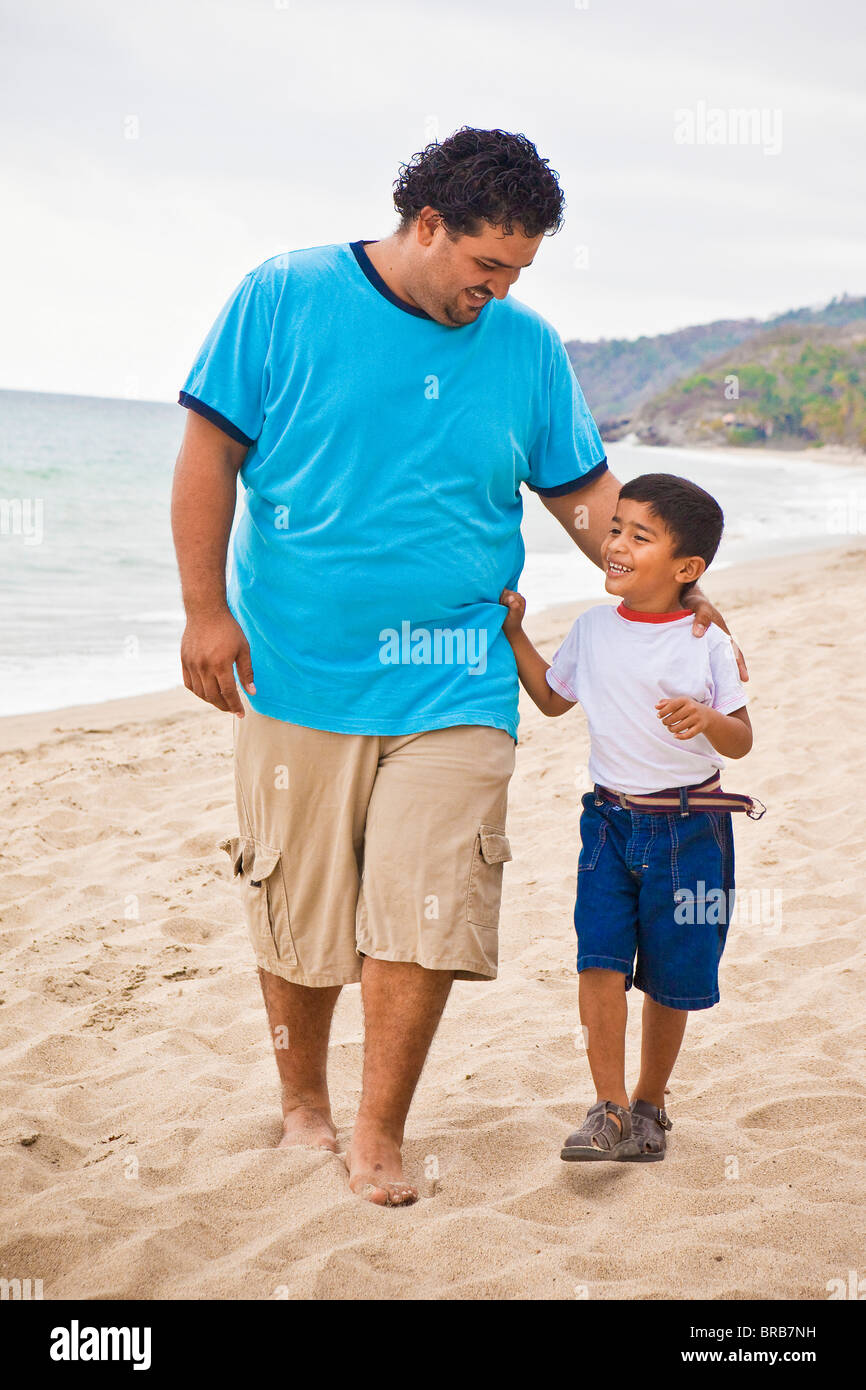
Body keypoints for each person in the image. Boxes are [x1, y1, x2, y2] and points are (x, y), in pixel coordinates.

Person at [171, 127, 746, 1206]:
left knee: (428, 900)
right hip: (297, 670)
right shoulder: (284, 294)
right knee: (298, 902)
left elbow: (581, 493)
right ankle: (303, 1107)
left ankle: (378, 1134)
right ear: (424, 225)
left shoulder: (523, 348)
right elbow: (209, 449)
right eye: (485, 265)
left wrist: (661, 584)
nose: (497, 290)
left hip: (456, 677)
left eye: (517, 272)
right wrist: (205, 610)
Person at [500, 473, 763, 1163]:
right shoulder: (592, 629)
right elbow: (555, 700)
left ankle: (650, 1102)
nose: (614, 545)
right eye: (614, 528)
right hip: (609, 827)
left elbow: (741, 737)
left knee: (673, 975)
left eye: (637, 537)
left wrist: (706, 718)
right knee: (600, 961)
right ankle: (607, 1108)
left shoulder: (705, 639)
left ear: (688, 569)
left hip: (690, 832)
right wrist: (516, 635)